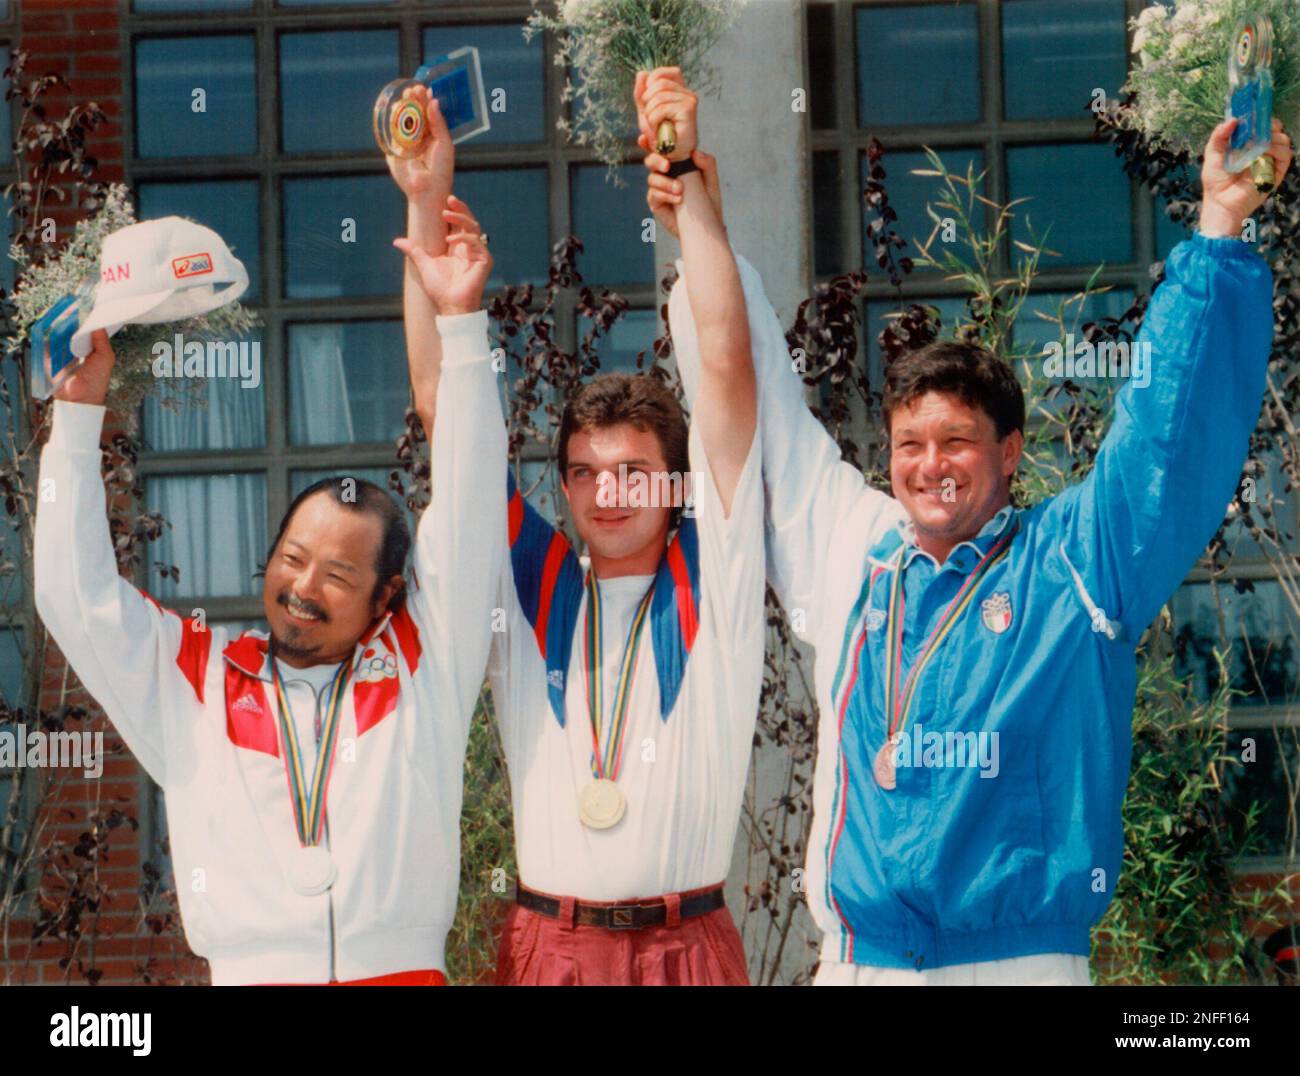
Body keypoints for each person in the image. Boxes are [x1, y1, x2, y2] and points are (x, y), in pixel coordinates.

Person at [655, 118, 1293, 985]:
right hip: (862, 967)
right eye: (910, 445)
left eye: (957, 441)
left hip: (1016, 963)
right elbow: (757, 398)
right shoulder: (856, 547)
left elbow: (1164, 443)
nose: (931, 467)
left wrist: (1218, 227)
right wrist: (702, 224)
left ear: (1010, 453)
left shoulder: (1074, 562)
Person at [33, 99, 504, 984]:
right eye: (292, 557)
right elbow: (74, 595)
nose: (301, 586)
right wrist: (76, 416)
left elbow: (473, 504)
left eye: (336, 573)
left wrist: (463, 327)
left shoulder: (423, 664)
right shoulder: (196, 678)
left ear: (386, 598)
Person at [395, 66, 764, 985]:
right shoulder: (535, 584)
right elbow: (445, 411)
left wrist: (687, 195)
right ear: (563, 490)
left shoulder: (715, 574)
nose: (610, 495)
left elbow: (722, 369)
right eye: (586, 476)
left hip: (689, 946)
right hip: (550, 948)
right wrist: (426, 204)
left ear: (678, 486)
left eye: (635, 473)